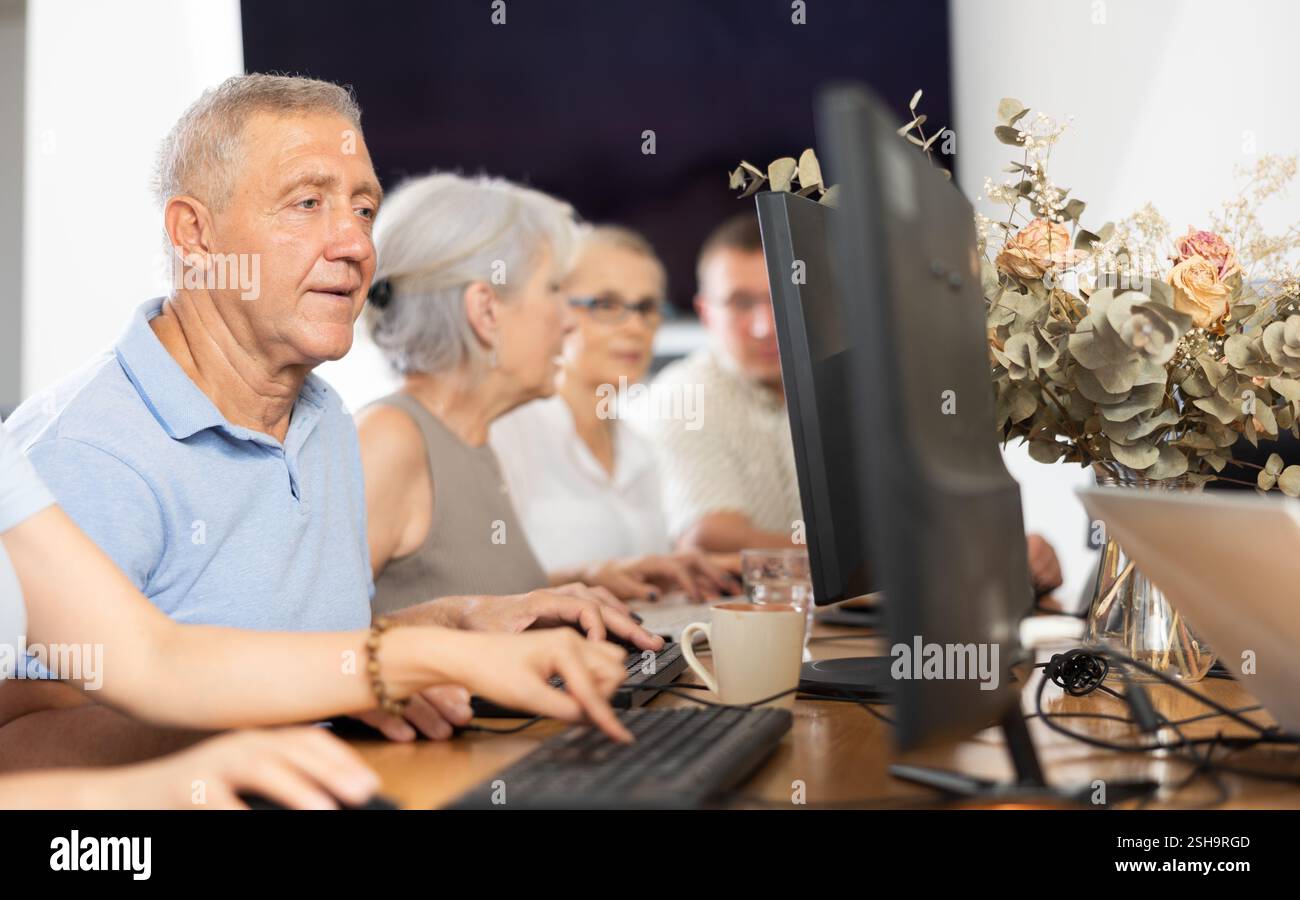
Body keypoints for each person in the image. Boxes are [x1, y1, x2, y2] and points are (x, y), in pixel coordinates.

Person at [1, 74, 641, 764]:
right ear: (195, 234)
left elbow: (291, 643)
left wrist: (449, 626)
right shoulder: (82, 451)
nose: (356, 244)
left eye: (364, 209)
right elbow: (18, 745)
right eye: (307, 203)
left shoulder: (323, 416)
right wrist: (376, 670)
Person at [359, 174, 735, 618]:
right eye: (553, 289)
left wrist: (581, 583)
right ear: (485, 311)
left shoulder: (470, 440)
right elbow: (311, 648)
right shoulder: (390, 439)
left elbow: (461, 595)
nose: (568, 320)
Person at [633, 212, 1065, 594]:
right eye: (740, 303)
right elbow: (712, 538)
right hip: (734, 640)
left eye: (780, 299)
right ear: (706, 312)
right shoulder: (682, 396)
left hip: (835, 629)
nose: (766, 326)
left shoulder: (855, 385)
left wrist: (1005, 551)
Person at [490, 225, 741, 593]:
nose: (636, 326)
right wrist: (583, 578)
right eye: (606, 304)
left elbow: (632, 577)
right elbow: (473, 593)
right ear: (554, 310)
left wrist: (672, 570)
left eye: (647, 307)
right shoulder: (504, 434)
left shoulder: (640, 448)